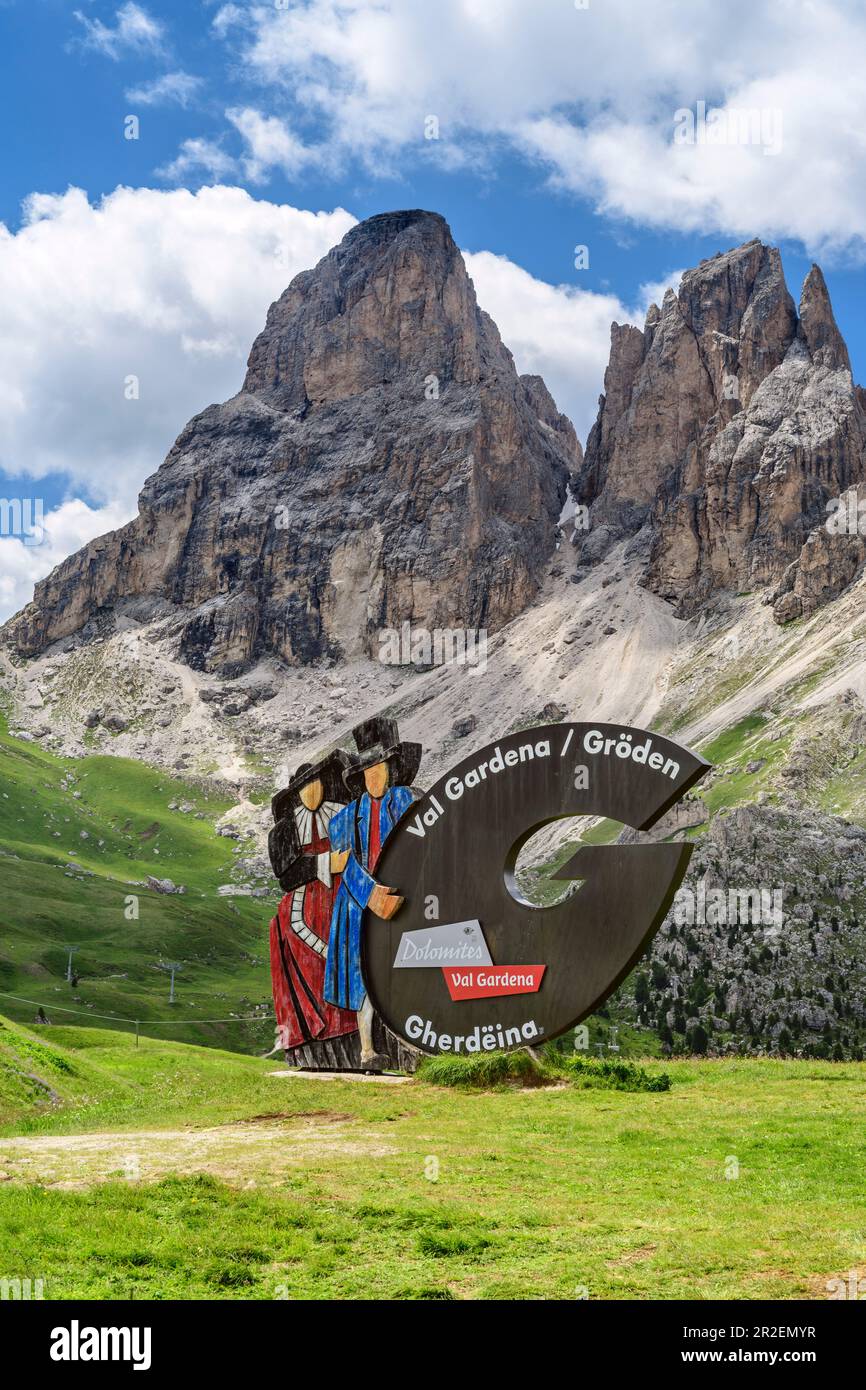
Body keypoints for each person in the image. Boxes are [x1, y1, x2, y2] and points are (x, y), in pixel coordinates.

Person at [324, 718, 421, 1070]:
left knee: (407, 966)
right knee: (362, 971)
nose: (374, 777)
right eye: (368, 771)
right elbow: (345, 864)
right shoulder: (344, 820)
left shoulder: (409, 801)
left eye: (379, 769)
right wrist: (371, 895)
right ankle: (366, 1048)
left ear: (391, 769)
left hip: (403, 898)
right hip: (358, 905)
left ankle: (412, 1040)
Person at [267, 750, 359, 1056]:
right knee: (304, 945)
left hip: (340, 893)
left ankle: (350, 1025)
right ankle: (314, 1028)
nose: (311, 792)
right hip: (304, 901)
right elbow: (285, 875)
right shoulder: (286, 828)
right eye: (304, 787)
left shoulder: (343, 813)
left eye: (316, 784)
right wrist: (325, 863)